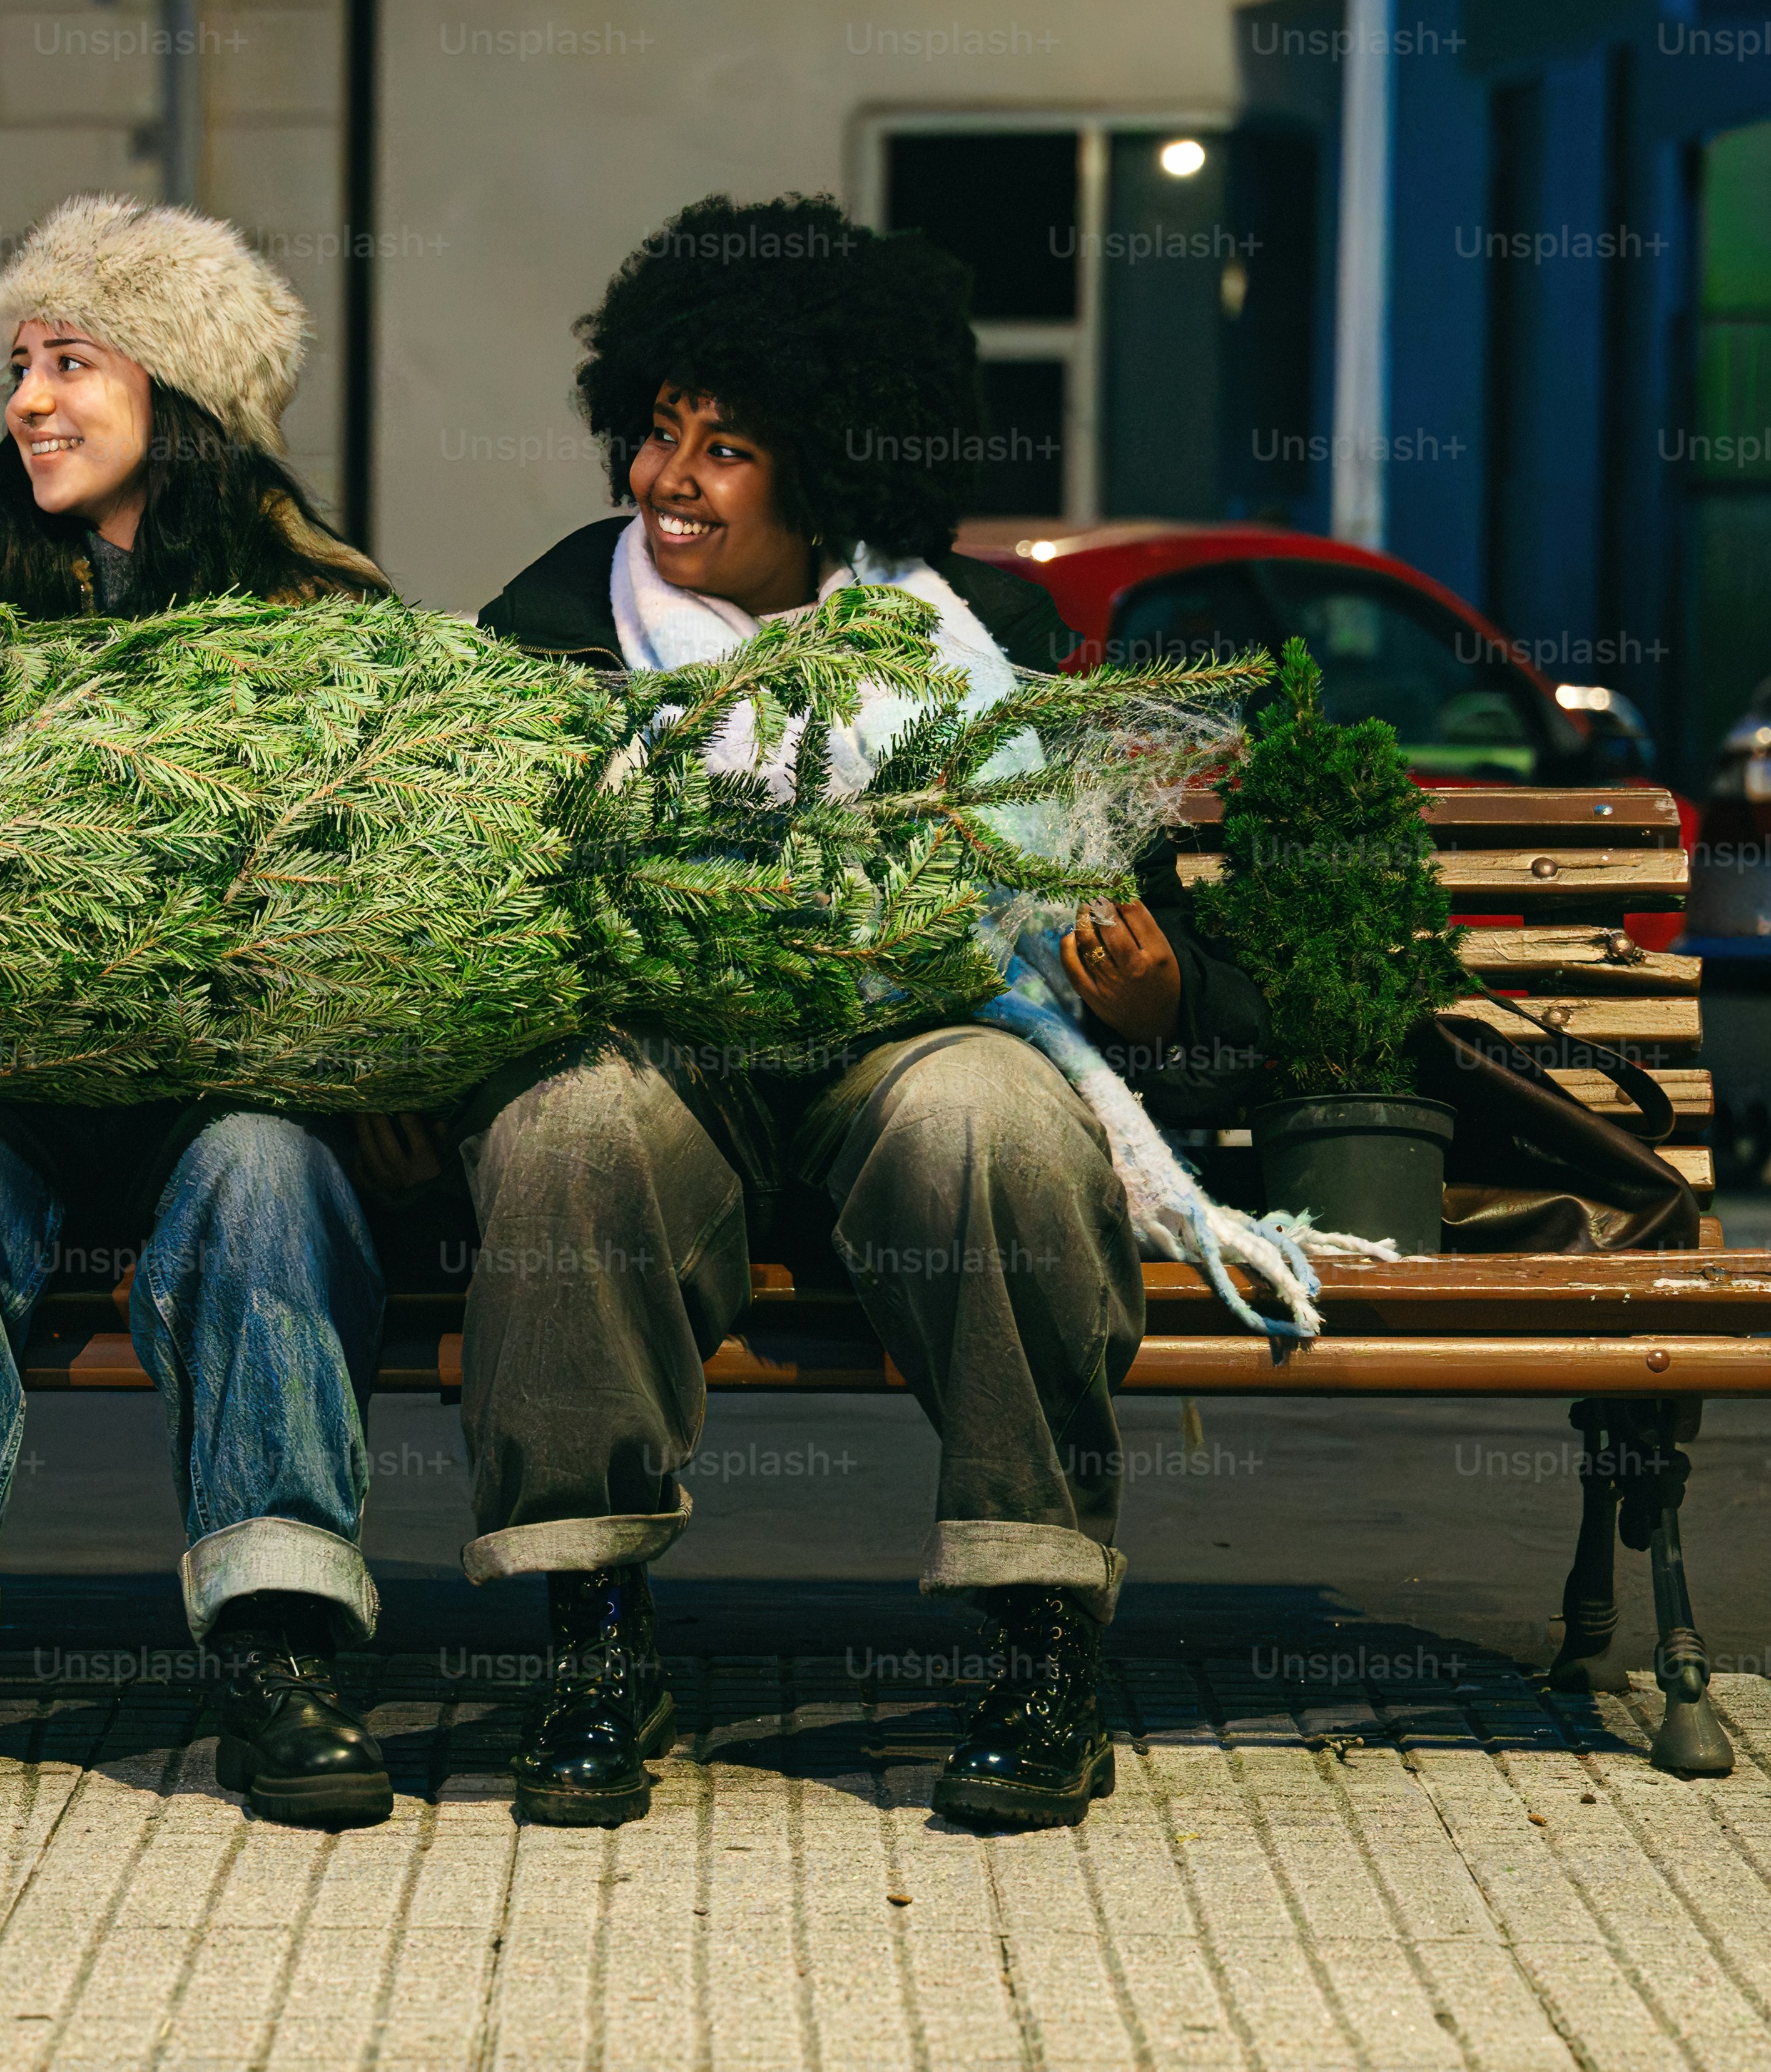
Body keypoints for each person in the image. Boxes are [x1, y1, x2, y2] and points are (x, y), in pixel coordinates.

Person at [415, 193, 1304, 1832]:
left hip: (915, 1030)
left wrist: (1150, 979)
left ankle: (1042, 1632)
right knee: (568, 1129)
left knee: (997, 1123)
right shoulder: (556, 627)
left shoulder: (987, 643)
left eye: (727, 445)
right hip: (671, 1044)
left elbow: (1154, 941)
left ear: (826, 466)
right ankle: (593, 1630)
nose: (669, 479)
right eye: (658, 432)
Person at [0, 193, 403, 1829]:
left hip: (227, 1087)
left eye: (75, 359)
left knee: (273, 1172)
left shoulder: (321, 613)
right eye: (19, 362)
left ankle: (282, 1642)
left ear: (187, 397)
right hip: (4, 1090)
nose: (29, 400)